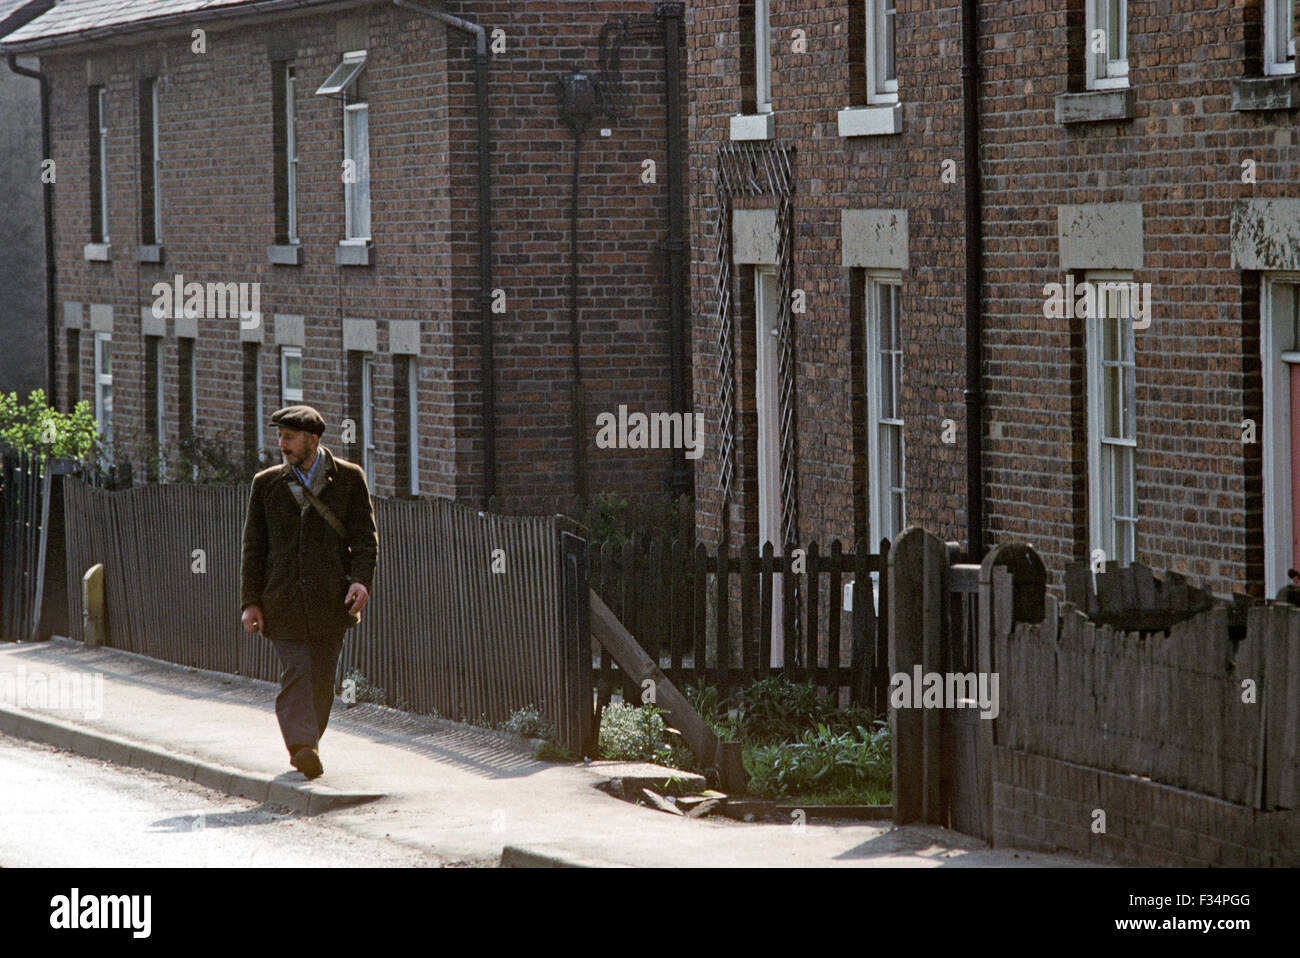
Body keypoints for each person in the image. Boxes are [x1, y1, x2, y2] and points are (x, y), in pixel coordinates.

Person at [239, 405, 378, 779]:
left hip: (331, 603)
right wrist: (251, 602)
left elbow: (365, 539)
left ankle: (309, 744)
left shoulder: (348, 479)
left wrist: (360, 580)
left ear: (312, 440)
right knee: (297, 671)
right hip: (281, 601)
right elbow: (254, 547)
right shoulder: (265, 484)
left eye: (289, 437)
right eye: (280, 436)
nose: (282, 444)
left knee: (322, 681)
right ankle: (301, 746)